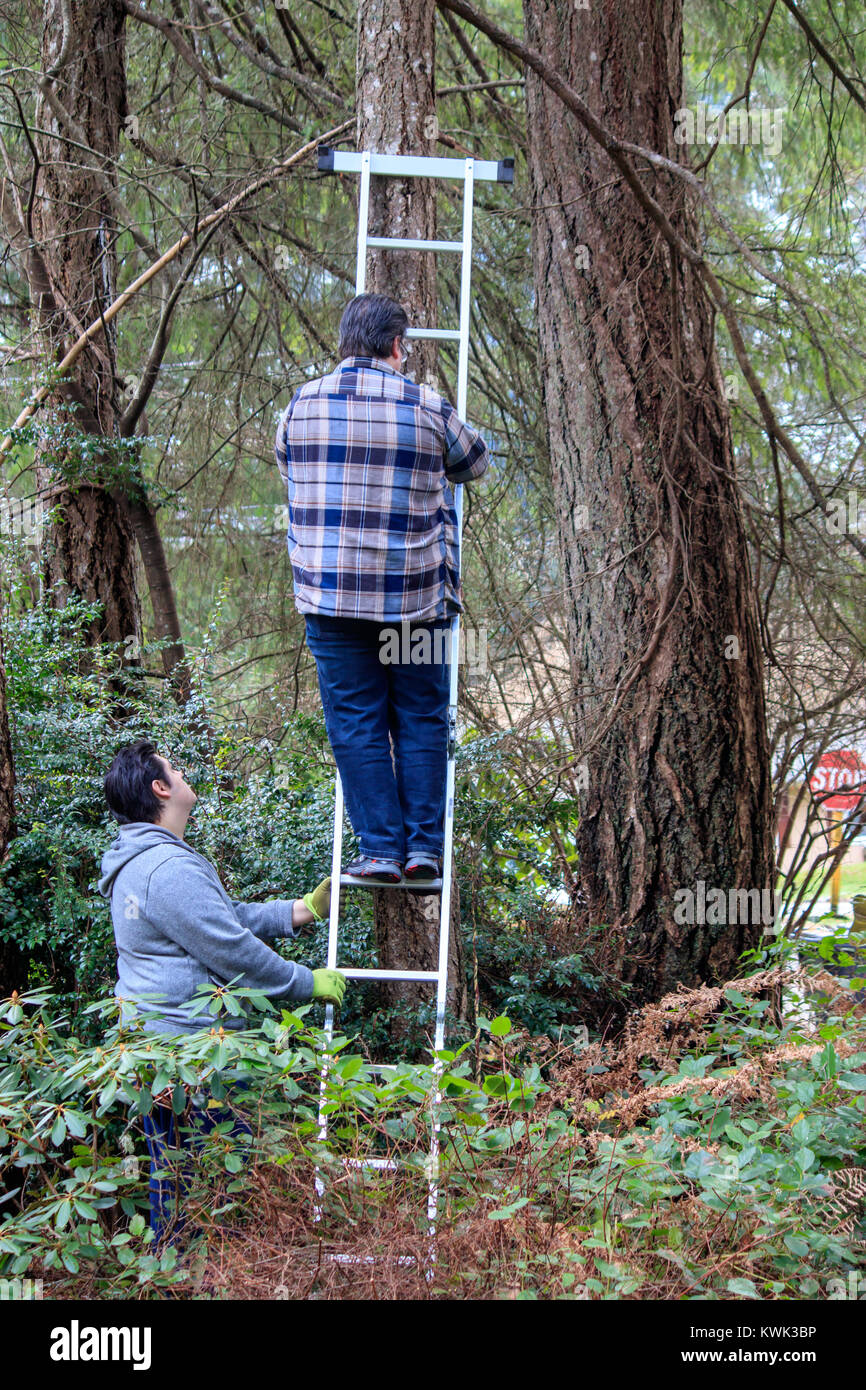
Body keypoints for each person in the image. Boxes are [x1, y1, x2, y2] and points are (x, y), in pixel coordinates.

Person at [275, 292, 489, 884]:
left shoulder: (300, 404)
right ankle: (424, 853)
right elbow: (474, 463)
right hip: (416, 605)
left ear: (345, 344)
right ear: (397, 347)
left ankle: (379, 855)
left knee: (355, 723)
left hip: (334, 602)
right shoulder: (426, 405)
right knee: (421, 716)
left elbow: (288, 462)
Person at [98, 738, 345, 1242]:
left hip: (164, 1049)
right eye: (176, 769)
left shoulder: (149, 861)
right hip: (192, 1057)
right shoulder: (165, 869)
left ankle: (185, 1276)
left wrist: (300, 910)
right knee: (211, 1185)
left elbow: (221, 919)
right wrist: (304, 982)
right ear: (161, 788)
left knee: (179, 1178)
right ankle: (200, 1281)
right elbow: (229, 948)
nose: (185, 776)